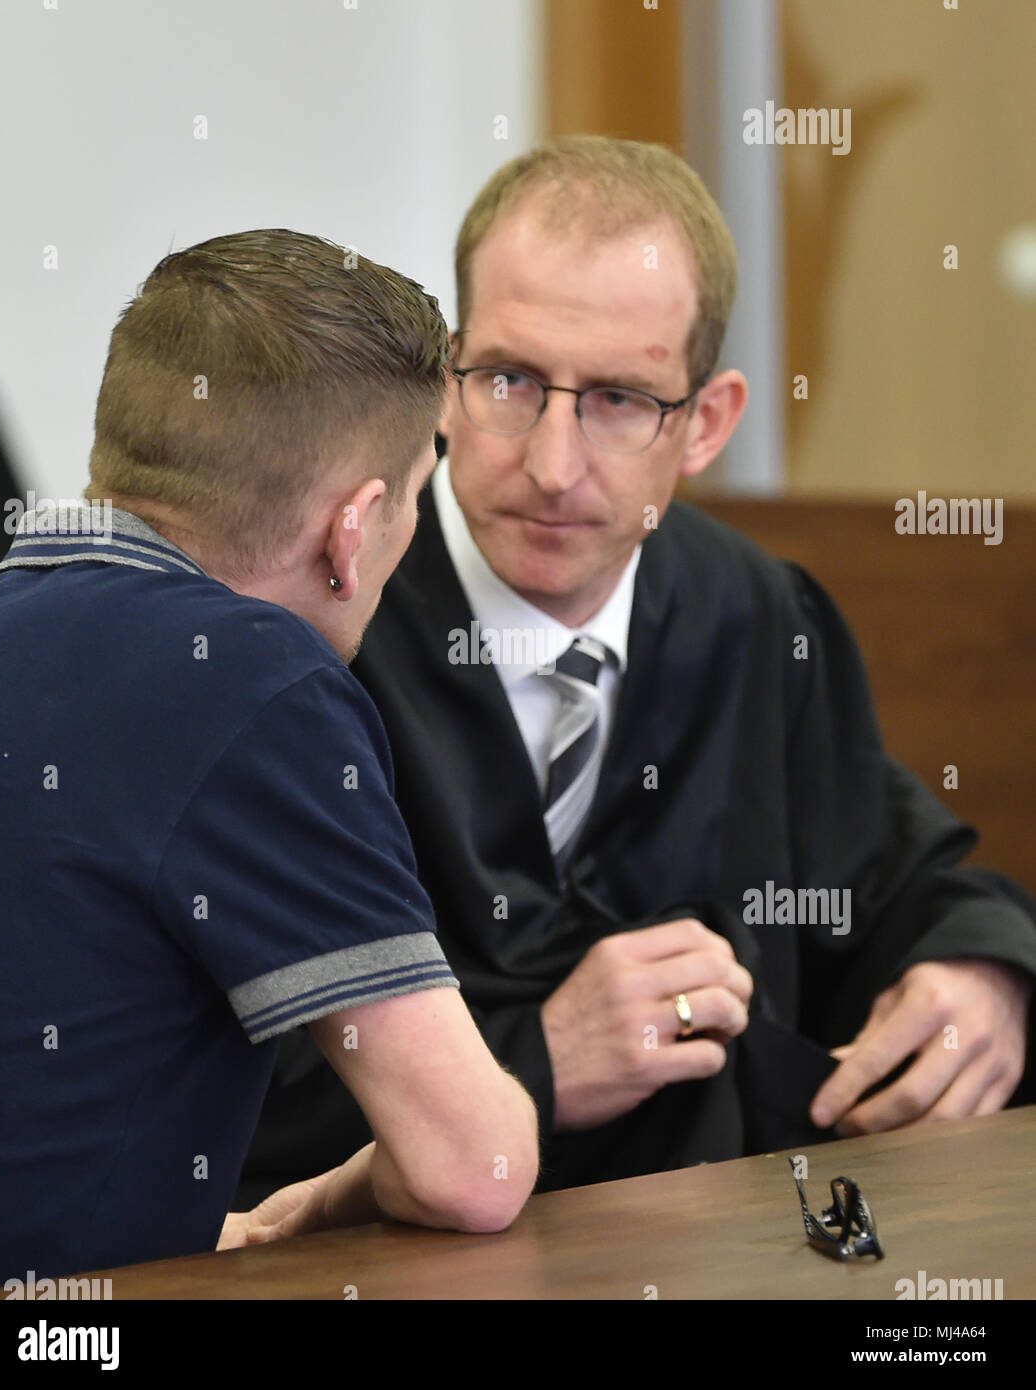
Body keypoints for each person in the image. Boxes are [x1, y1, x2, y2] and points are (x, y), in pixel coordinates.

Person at [236, 138, 1036, 1208]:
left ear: (706, 422)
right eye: (511, 382)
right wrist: (540, 1060)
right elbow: (227, 1069)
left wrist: (986, 979)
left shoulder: (756, 617)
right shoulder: (312, 622)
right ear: (444, 378)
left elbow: (896, 890)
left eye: (619, 399)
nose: (553, 464)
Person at [0, 229, 538, 1293]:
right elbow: (475, 1167)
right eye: (421, 491)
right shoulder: (256, 682)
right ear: (355, 527)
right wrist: (304, 1209)